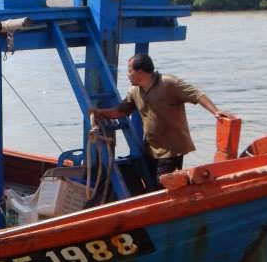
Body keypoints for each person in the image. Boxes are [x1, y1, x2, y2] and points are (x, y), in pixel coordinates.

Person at [91, 53, 229, 188]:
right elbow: (119, 111)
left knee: (163, 184)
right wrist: (99, 113)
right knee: (147, 179)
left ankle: (193, 185)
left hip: (172, 148)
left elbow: (197, 95)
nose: (127, 74)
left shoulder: (168, 83)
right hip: (151, 147)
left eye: (130, 71)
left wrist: (215, 111)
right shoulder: (134, 91)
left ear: (140, 72)